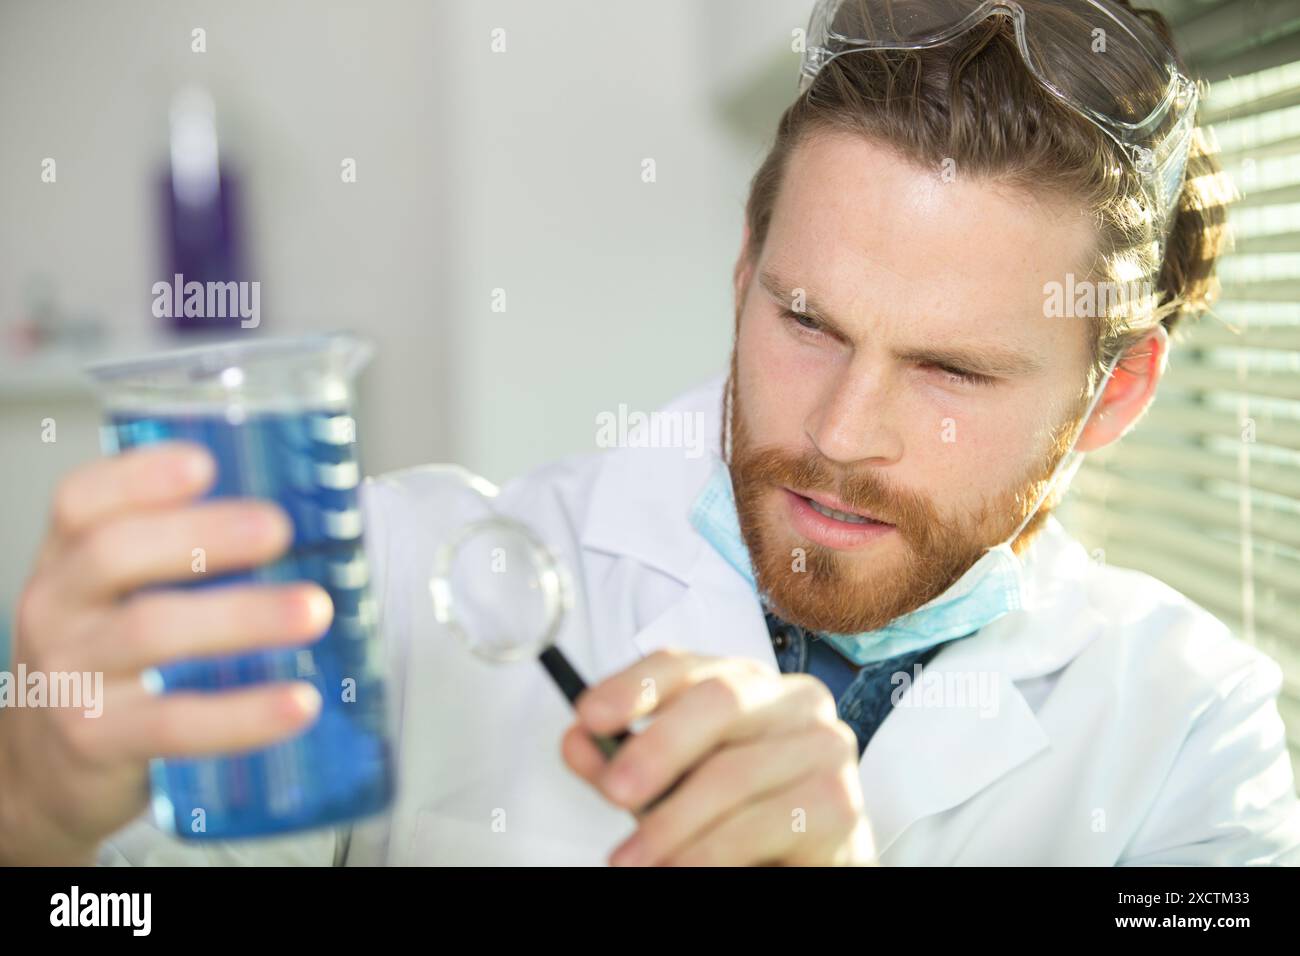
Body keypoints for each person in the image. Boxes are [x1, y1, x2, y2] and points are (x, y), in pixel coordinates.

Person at [3, 0, 1298, 866]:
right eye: (806, 321)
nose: (844, 433)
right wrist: (42, 804)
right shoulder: (393, 583)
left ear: (1116, 395)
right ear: (743, 266)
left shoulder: (1191, 732)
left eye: (951, 370)